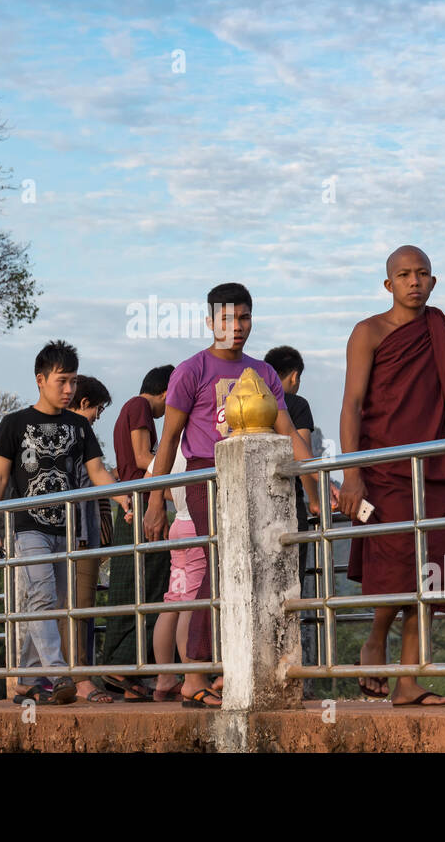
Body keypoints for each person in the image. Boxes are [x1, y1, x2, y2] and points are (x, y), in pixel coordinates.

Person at [144, 283, 330, 709]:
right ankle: (193, 677)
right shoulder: (191, 371)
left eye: (244, 318)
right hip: (204, 477)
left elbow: (285, 430)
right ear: (211, 322)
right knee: (216, 568)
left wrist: (314, 485)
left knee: (256, 569)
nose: (237, 327)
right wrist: (155, 500)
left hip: (257, 479)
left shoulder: (262, 374)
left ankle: (236, 671)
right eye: (227, 319)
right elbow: (169, 438)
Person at [337, 247, 445, 707]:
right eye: (404, 275)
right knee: (397, 567)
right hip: (385, 469)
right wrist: (352, 472)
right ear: (389, 285)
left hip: (440, 472)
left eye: (422, 274)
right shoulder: (369, 332)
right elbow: (352, 405)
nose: (414, 282)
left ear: (433, 282)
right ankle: (375, 640)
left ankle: (409, 681)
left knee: (434, 574)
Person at [0, 340, 125, 705]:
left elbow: (96, 471)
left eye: (73, 382)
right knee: (44, 599)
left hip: (67, 528)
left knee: (54, 604)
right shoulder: (14, 423)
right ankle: (60, 675)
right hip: (29, 527)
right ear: (40, 380)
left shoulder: (78, 425)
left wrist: (125, 496)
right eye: (62, 381)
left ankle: (26, 680)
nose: (69, 389)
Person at [100, 364, 173, 700]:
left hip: (133, 504)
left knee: (133, 586)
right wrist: (179, 464)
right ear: (165, 391)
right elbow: (144, 458)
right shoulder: (140, 406)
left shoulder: (130, 410)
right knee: (151, 586)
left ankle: (128, 673)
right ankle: (122, 664)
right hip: (141, 506)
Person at [264, 345, 321, 673]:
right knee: (289, 588)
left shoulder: (254, 403)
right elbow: (304, 455)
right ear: (295, 376)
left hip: (255, 503)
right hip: (287, 504)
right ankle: (285, 666)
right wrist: (315, 498)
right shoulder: (296, 404)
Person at [65, 374, 120, 703]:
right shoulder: (76, 432)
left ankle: (68, 676)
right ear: (84, 403)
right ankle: (80, 677)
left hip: (76, 533)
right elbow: (93, 479)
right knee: (80, 608)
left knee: (69, 609)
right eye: (97, 409)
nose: (97, 416)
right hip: (78, 534)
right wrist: (122, 496)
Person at [149, 448, 200, 703]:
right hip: (195, 524)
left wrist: (175, 496)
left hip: (179, 524)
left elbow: (150, 477)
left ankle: (164, 678)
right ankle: (192, 679)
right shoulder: (199, 439)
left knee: (173, 602)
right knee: (191, 602)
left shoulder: (174, 445)